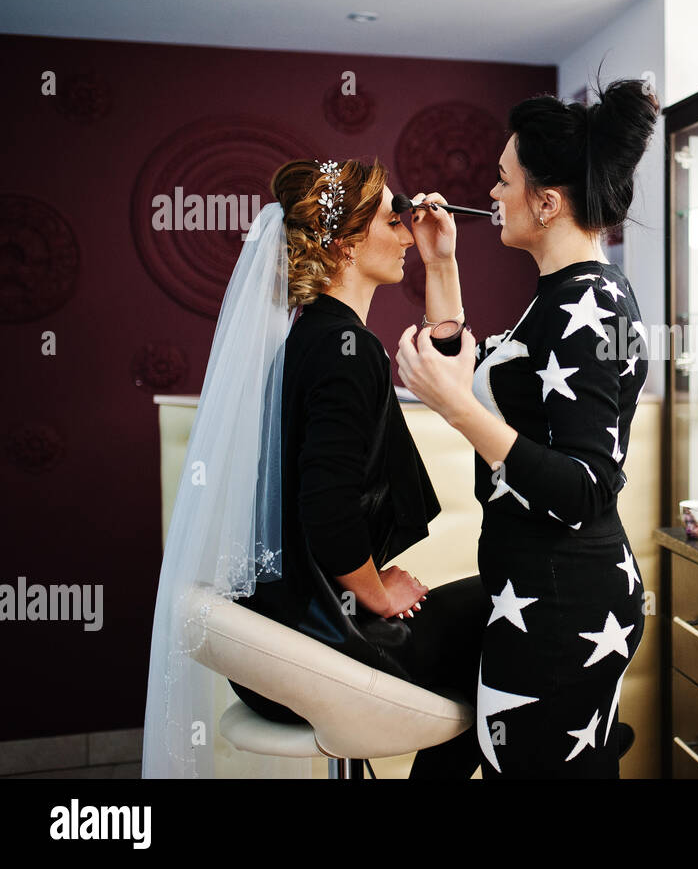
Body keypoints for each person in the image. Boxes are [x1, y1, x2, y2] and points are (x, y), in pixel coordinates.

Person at [143, 157, 490, 778]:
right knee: (507, 606)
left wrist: (443, 261)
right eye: (394, 219)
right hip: (320, 647)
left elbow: (448, 357)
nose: (409, 232)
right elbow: (327, 515)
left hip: (285, 639)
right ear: (347, 243)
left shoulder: (315, 337)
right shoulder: (344, 352)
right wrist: (376, 592)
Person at [395, 78, 658, 777]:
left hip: (567, 605)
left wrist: (455, 407)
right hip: (528, 590)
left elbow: (585, 487)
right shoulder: (560, 295)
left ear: (546, 202)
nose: (493, 191)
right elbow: (495, 387)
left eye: (504, 179)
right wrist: (441, 263)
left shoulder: (594, 304)